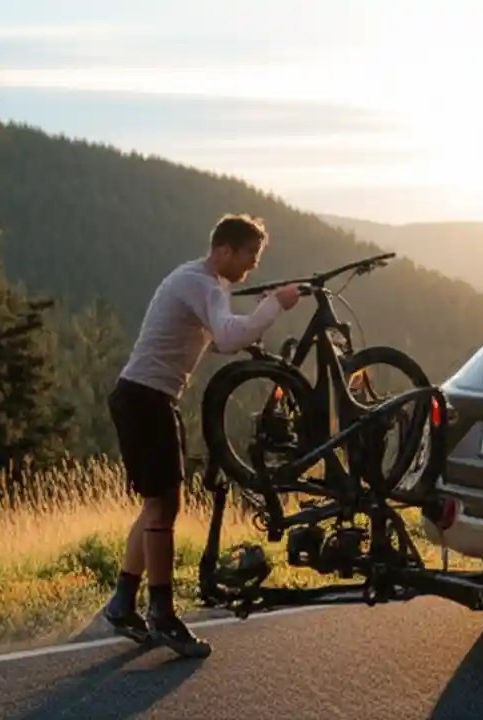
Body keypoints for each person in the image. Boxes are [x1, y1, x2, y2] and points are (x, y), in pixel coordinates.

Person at [102, 213, 300, 657]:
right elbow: (227, 335)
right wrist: (276, 305)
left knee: (156, 503)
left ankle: (122, 603)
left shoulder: (200, 281)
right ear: (225, 249)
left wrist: (244, 337)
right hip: (145, 399)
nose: (252, 266)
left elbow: (212, 334)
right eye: (250, 254)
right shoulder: (203, 283)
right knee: (165, 506)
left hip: (148, 397)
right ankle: (162, 615)